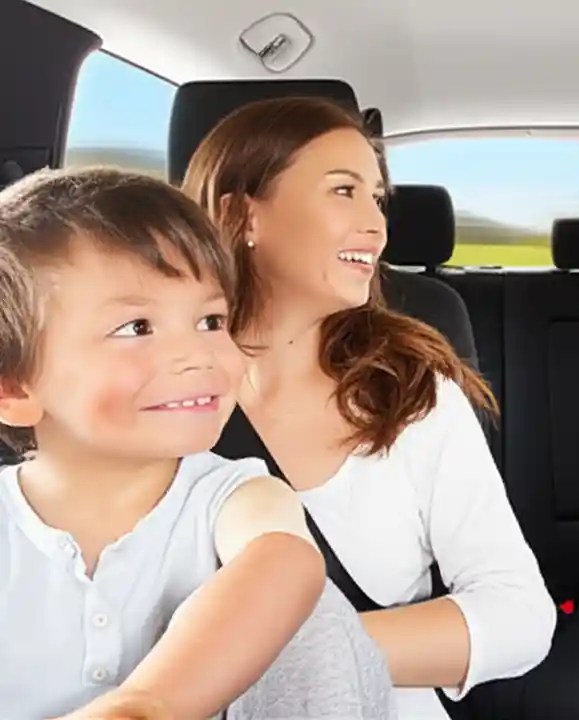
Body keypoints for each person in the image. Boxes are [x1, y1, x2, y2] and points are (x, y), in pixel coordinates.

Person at [182, 96, 556, 719]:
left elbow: (519, 613)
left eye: (377, 199)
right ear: (240, 215)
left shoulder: (412, 394)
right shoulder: (155, 400)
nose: (376, 226)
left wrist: (284, 656)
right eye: (342, 191)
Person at [0, 167, 389, 719]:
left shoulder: (232, 497)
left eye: (210, 320)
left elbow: (284, 562)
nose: (199, 354)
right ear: (14, 388)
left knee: (315, 615)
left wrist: (145, 706)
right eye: (137, 327)